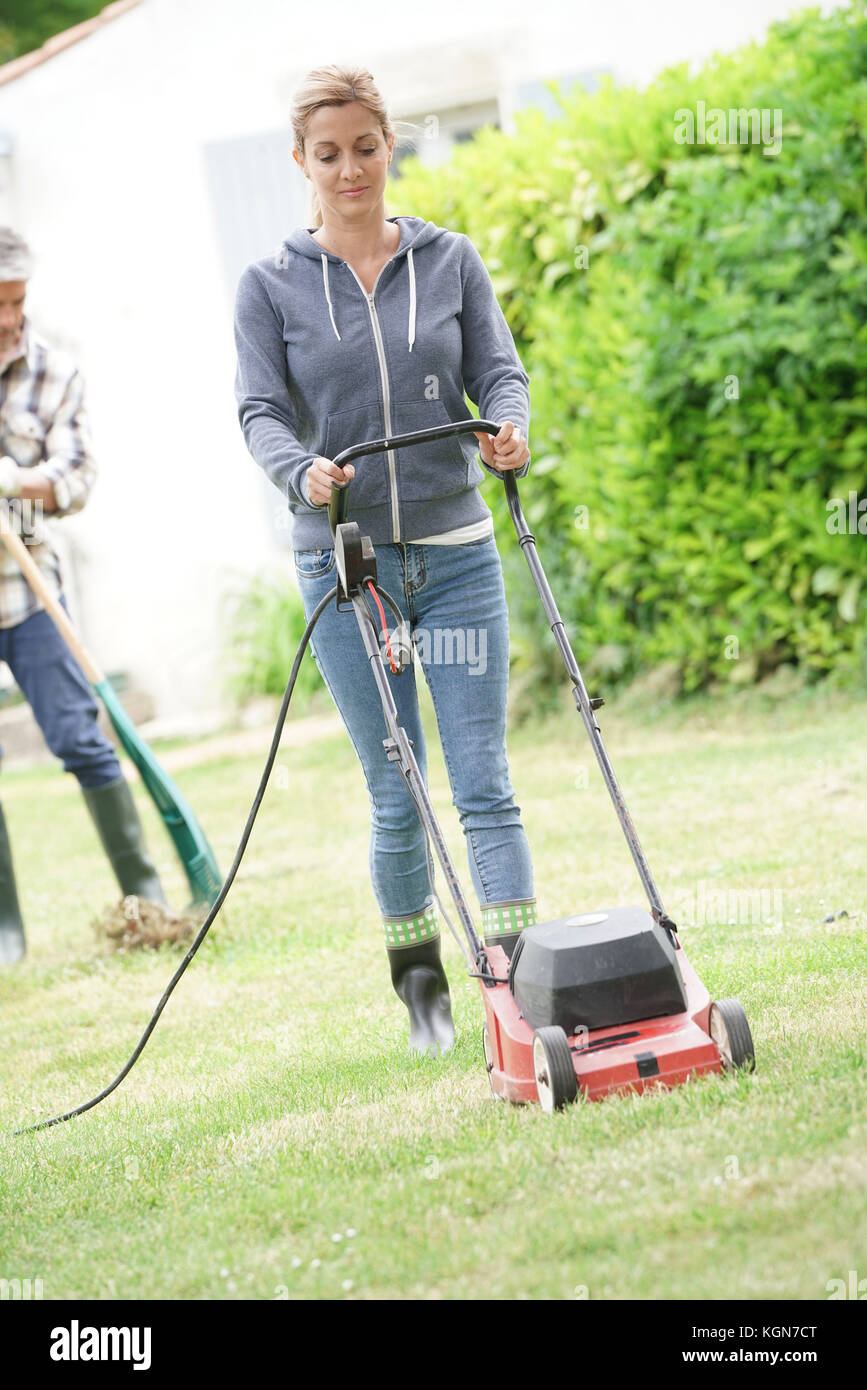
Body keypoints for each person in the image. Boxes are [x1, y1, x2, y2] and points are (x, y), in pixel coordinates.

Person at [234, 65, 537, 1053]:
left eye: (366, 146)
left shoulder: (452, 261)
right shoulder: (270, 284)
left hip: (453, 554)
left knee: (483, 778)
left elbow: (496, 368)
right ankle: (423, 991)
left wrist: (509, 426)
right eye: (329, 153)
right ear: (301, 163)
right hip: (344, 564)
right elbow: (260, 411)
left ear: (388, 146)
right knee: (397, 778)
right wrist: (300, 473)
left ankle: (520, 980)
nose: (350, 167)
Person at [0, 227, 165, 966]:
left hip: (27, 589)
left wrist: (18, 479)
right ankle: (6, 933)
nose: (12, 318)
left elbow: (77, 475)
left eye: (19, 300)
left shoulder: (53, 371)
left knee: (79, 740)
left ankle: (145, 896)